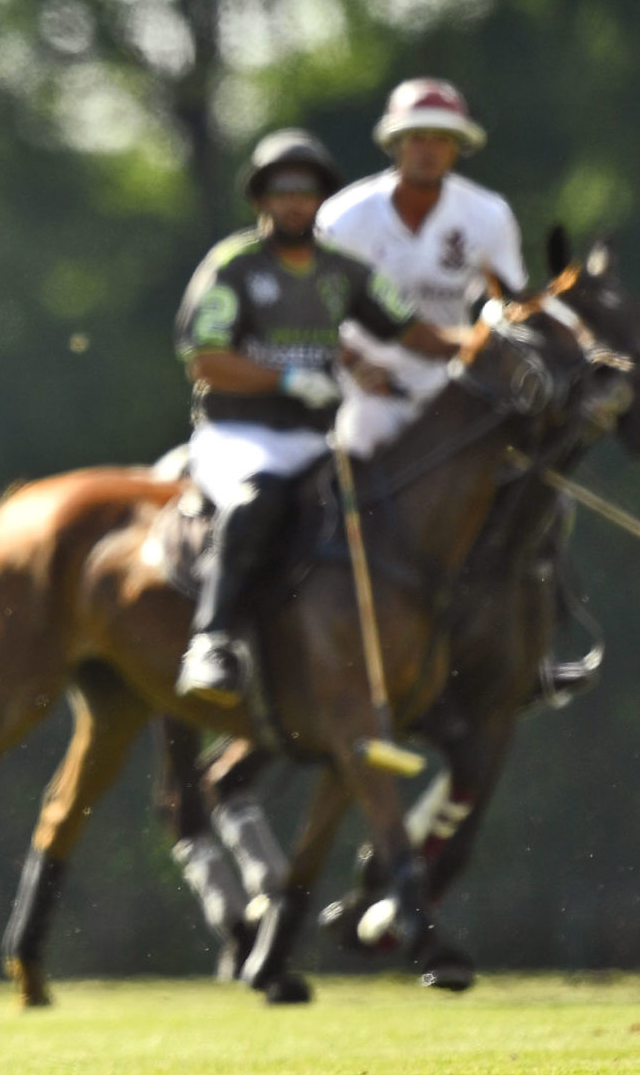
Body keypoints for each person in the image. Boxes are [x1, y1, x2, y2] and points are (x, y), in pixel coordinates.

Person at [173, 128, 459, 704]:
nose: (294, 202)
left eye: (305, 191)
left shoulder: (346, 271)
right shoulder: (233, 266)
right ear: (261, 199)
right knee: (259, 502)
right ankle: (211, 641)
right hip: (238, 434)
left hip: (313, 438)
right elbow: (205, 361)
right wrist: (283, 378)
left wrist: (488, 341)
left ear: (320, 198)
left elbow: (416, 334)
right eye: (281, 190)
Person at [317, 79, 526, 457]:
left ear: (458, 147)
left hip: (456, 387)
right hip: (369, 392)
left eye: (442, 138)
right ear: (395, 143)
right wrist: (353, 364)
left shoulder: (489, 215)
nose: (429, 150)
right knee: (358, 453)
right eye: (418, 137)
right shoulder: (344, 218)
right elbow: (314, 311)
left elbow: (512, 307)